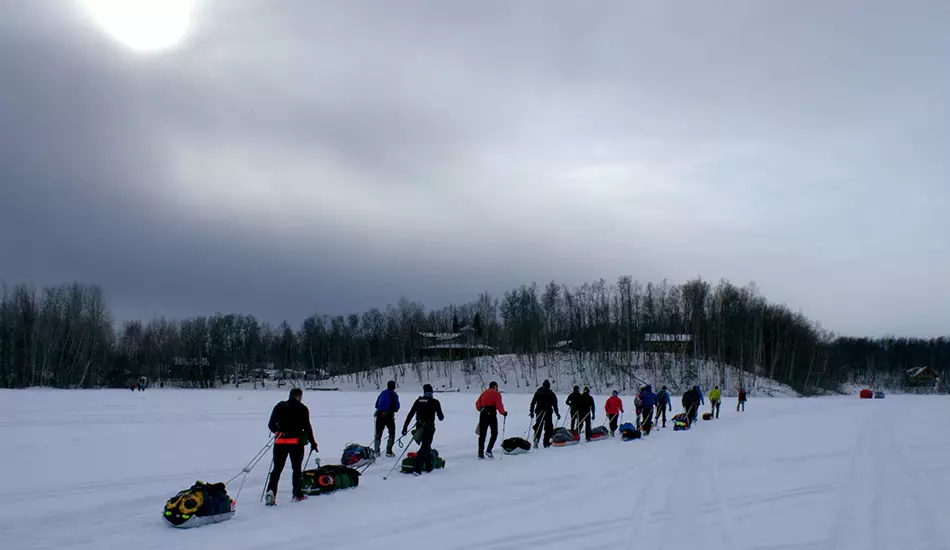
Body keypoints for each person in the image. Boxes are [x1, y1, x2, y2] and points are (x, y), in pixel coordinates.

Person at [265, 388, 318, 505]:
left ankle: (271, 492)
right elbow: (307, 427)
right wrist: (313, 443)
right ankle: (297, 494)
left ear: (290, 395)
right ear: (299, 396)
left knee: (277, 469)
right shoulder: (303, 409)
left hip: (280, 442)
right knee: (297, 469)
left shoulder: (280, 406)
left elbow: (270, 425)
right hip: (296, 444)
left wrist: (278, 431)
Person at [401, 384, 444, 474]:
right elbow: (441, 417)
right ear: (431, 392)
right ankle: (417, 469)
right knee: (425, 447)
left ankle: (429, 467)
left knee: (426, 446)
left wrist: (405, 427)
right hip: (429, 427)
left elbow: (410, 414)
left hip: (419, 427)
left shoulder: (419, 401)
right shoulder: (435, 402)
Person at [475, 381, 507, 459]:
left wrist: (481, 409)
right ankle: (489, 450)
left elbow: (477, 404)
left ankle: (480, 453)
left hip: (483, 413)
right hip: (492, 413)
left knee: (482, 434)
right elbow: (499, 405)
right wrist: (503, 413)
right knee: (494, 433)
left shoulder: (483, 393)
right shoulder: (497, 394)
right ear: (495, 387)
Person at [529, 379, 560, 448]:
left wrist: (531, 412)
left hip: (539, 412)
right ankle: (546, 442)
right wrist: (557, 413)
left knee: (538, 426)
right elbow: (555, 405)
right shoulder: (551, 394)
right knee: (548, 428)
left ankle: (536, 439)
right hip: (548, 413)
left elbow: (533, 403)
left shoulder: (538, 392)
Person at [374, 380, 400, 457]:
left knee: (378, 434)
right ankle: (388, 451)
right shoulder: (394, 394)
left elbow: (376, 405)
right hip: (389, 416)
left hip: (379, 415)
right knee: (392, 433)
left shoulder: (382, 393)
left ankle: (377, 451)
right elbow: (397, 407)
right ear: (394, 387)